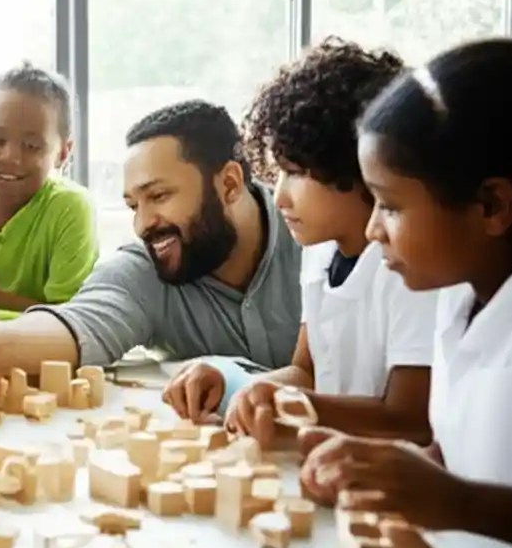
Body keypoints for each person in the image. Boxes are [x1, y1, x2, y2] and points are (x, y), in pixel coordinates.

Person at [301, 31, 512, 548]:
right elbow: (479, 456)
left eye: (390, 206)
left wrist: (458, 502)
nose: (373, 230)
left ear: (491, 206)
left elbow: (474, 497)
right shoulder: (460, 292)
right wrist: (385, 469)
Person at [0, 100, 302, 403]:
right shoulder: (149, 268)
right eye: (134, 205)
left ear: (228, 184)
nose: (144, 224)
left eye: (159, 195)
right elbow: (76, 322)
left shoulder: (314, 236)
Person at [165, 39, 437, 445]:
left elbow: (410, 418)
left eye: (295, 173)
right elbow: (307, 373)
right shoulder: (320, 251)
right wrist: (233, 386)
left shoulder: (411, 268)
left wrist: (289, 403)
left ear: (355, 166)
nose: (280, 197)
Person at [0, 63, 99, 320]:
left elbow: (70, 320)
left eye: (32, 146)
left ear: (63, 153)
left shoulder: (71, 208)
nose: (10, 157)